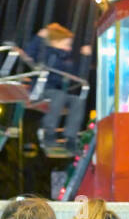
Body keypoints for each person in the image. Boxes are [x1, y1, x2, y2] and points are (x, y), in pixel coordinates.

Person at [25, 22, 91, 151]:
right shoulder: (45, 52)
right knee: (59, 95)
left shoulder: (66, 60)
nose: (69, 48)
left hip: (56, 92)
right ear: (55, 42)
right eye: (66, 44)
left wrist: (85, 57)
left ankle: (71, 138)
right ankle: (49, 132)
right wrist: (38, 38)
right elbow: (28, 54)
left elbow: (77, 74)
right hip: (40, 89)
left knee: (78, 101)